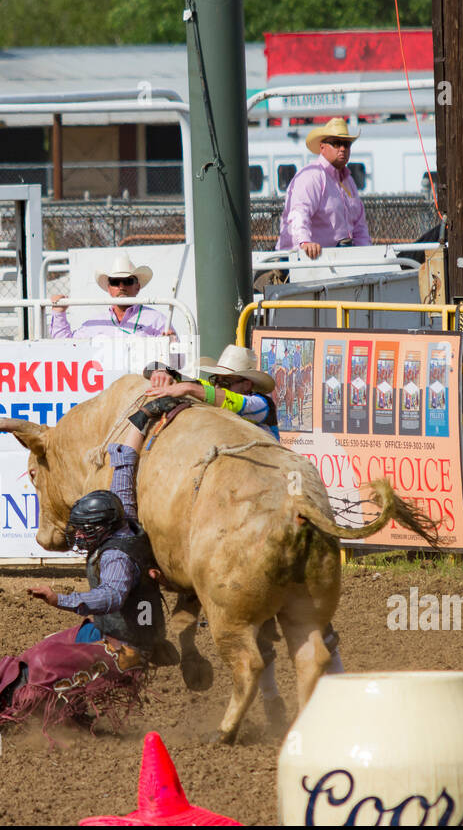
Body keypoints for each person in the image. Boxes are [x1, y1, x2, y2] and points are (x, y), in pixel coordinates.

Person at [142, 344, 343, 728]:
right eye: (218, 379)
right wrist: (163, 374)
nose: (221, 385)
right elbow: (163, 372)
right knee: (264, 626)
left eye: (229, 380)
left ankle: (332, 701)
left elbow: (227, 401)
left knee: (311, 627)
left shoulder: (258, 406)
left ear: (246, 384)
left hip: (266, 510)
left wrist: (189, 389)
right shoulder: (219, 399)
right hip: (240, 513)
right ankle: (276, 704)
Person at [0, 421, 166, 734]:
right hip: (113, 632)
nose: (79, 535)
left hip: (125, 649)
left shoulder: (115, 556)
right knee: (37, 652)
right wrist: (141, 420)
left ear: (100, 529)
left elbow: (111, 595)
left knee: (45, 661)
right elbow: (124, 468)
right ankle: (38, 714)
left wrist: (60, 599)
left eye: (84, 530)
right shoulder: (124, 519)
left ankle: (26, 721)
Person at [277, 116, 371, 259]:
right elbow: (299, 212)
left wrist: (367, 255)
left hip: (335, 259)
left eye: (346, 144)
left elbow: (359, 226)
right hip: (303, 260)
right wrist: (305, 243)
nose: (342, 149)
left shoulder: (348, 181)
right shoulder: (312, 176)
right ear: (322, 148)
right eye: (337, 143)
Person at [48, 253, 176, 339]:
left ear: (137, 287)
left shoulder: (157, 320)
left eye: (127, 281)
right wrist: (58, 313)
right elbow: (66, 346)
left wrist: (172, 345)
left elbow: (178, 362)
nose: (121, 287)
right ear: (109, 288)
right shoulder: (95, 323)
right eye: (115, 282)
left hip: (140, 379)